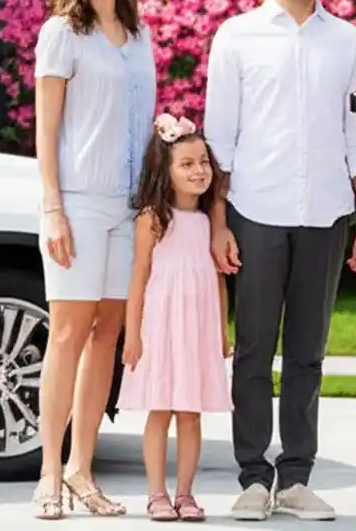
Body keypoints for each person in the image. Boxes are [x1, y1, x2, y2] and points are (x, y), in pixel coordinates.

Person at [203, 0, 356, 521]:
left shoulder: (349, 42)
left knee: (308, 351)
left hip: (328, 216)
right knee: (254, 349)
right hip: (255, 212)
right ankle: (254, 477)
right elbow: (218, 139)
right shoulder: (236, 37)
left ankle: (298, 476)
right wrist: (219, 221)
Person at [31, 0, 157, 520]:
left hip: (129, 207)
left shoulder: (137, 35)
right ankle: (49, 470)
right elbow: (47, 130)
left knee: (106, 333)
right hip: (78, 203)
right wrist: (52, 208)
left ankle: (83, 468)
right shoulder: (62, 34)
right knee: (68, 331)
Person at [118, 113, 233, 522]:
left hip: (197, 327)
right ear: (165, 171)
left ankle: (186, 493)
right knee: (160, 408)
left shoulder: (208, 223)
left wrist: (221, 331)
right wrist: (132, 334)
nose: (198, 170)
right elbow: (139, 278)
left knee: (190, 411)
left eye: (203, 162)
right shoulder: (152, 217)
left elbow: (217, 281)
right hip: (161, 326)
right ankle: (156, 493)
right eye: (186, 164)